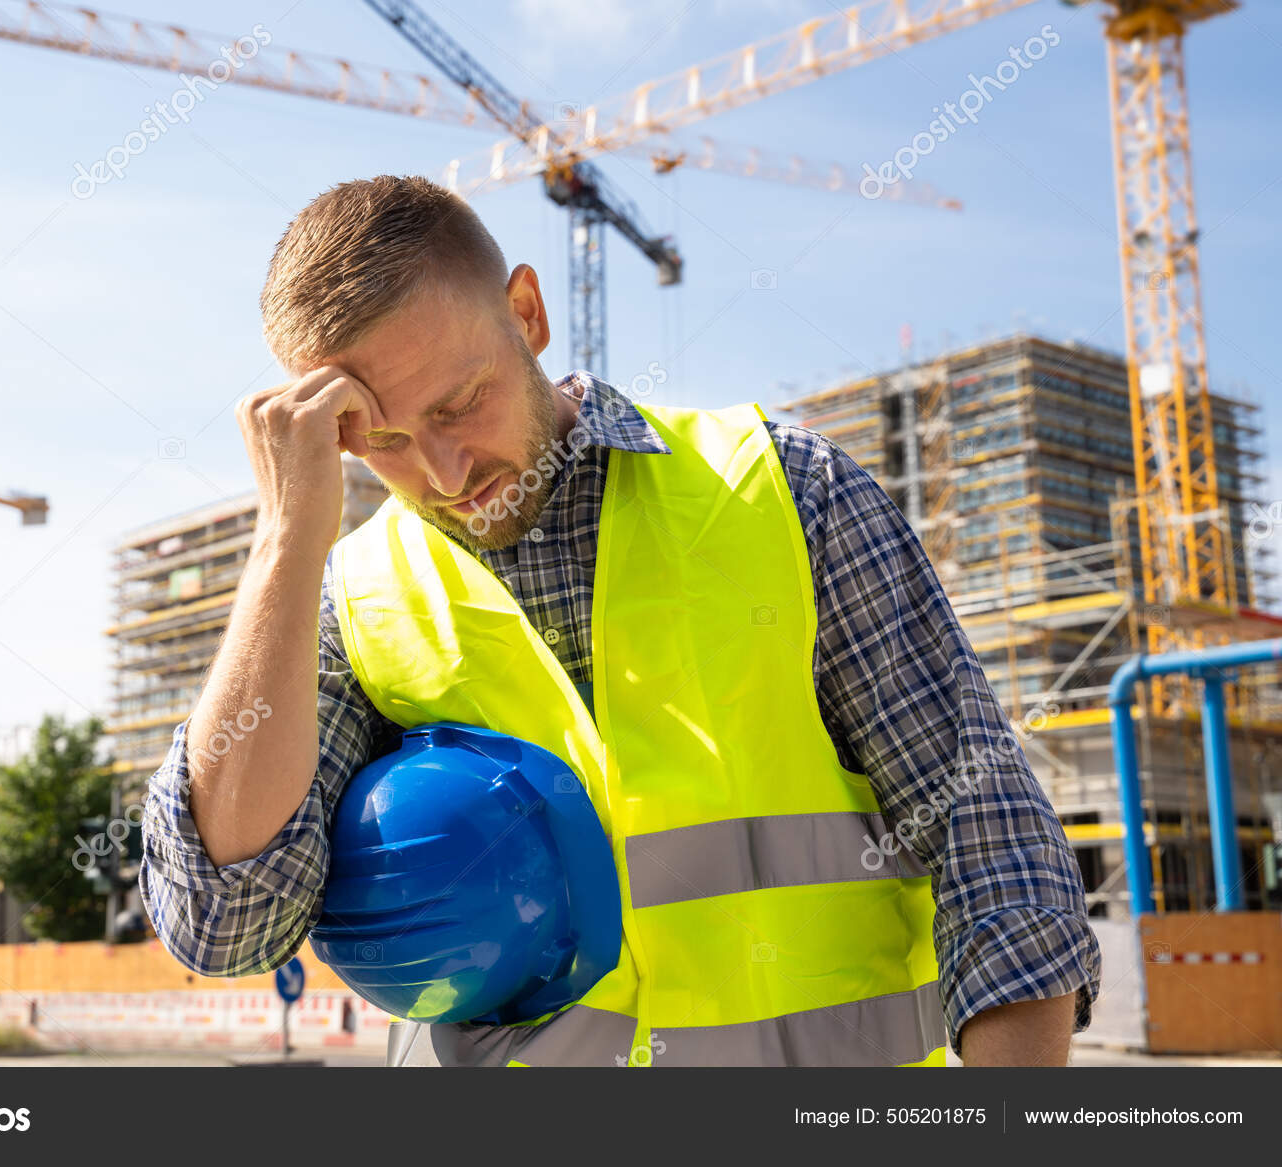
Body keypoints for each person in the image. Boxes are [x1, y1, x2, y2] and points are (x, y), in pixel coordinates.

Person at [138, 174, 1101, 1067]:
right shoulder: (348, 598)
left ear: (527, 313)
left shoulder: (782, 489)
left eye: (462, 402)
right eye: (384, 440)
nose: (444, 473)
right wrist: (283, 541)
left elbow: (992, 841)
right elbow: (231, 920)